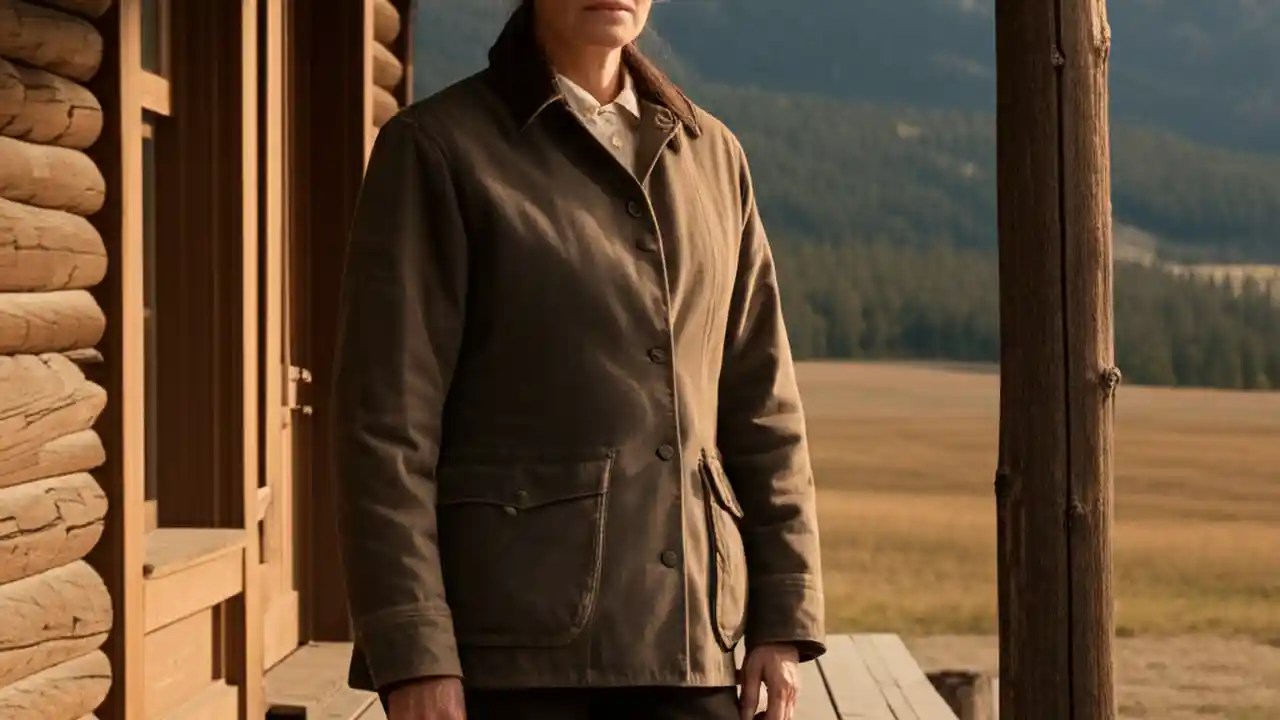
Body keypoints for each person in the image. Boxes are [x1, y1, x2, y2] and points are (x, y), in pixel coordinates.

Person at [331, 1, 824, 718]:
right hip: (515, 660)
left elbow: (763, 403)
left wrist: (783, 614)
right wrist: (413, 652)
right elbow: (386, 425)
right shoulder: (437, 148)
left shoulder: (714, 154)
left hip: (698, 647)